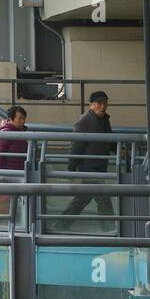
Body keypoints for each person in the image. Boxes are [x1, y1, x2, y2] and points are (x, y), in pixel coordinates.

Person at [56, 92, 116, 230]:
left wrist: (120, 150)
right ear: (91, 105)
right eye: (100, 103)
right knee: (103, 197)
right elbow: (75, 146)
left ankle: (60, 225)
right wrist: (71, 169)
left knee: (82, 199)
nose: (103, 106)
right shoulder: (84, 121)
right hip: (89, 168)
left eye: (105, 103)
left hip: (99, 166)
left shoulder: (104, 120)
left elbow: (109, 139)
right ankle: (110, 229)